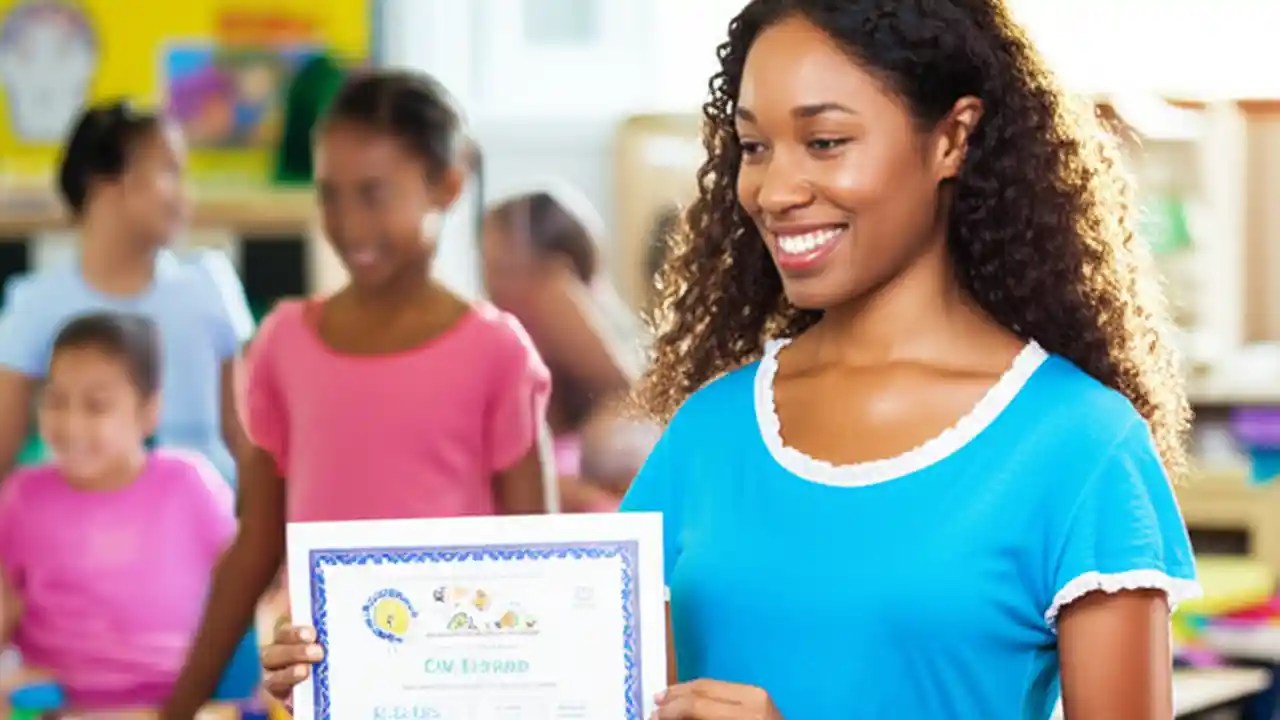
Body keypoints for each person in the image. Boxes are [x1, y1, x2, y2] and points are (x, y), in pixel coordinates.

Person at [258, 1, 1202, 718]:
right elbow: (574, 695)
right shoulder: (711, 432)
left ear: (952, 136)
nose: (777, 188)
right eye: (753, 146)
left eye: (825, 142)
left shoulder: (1079, 449)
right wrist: (350, 675)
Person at [160, 69, 555, 717]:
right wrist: (176, 710)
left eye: (374, 194)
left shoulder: (497, 351)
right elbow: (257, 538)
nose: (347, 224)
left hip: (460, 688)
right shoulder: (284, 342)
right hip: (319, 685)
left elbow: (535, 559)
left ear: (446, 187)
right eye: (330, 196)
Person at [0, 100, 254, 483]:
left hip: (205, 527)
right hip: (87, 525)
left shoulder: (209, 284)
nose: (186, 196)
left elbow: (250, 439)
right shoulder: (37, 303)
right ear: (104, 183)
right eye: (168, 171)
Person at [0, 313, 236, 710]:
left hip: (177, 704)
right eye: (56, 400)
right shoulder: (23, 496)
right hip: (57, 706)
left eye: (96, 407)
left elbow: (245, 583)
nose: (71, 424)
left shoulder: (188, 485)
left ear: (149, 411)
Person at [482, 189, 641, 511]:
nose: (493, 292)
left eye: (507, 269)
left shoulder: (617, 416)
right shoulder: (501, 369)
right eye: (488, 269)